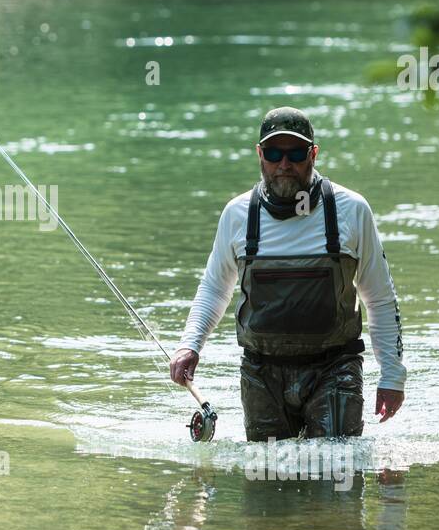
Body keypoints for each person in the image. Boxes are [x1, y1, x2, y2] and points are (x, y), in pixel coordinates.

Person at [170, 107, 406, 439]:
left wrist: (392, 377)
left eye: (295, 153)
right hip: (261, 373)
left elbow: (380, 298)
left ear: (313, 153)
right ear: (259, 155)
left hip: (335, 369)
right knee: (266, 479)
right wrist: (189, 345)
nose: (284, 164)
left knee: (336, 474)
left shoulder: (352, 210)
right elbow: (214, 288)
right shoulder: (238, 214)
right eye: (274, 153)